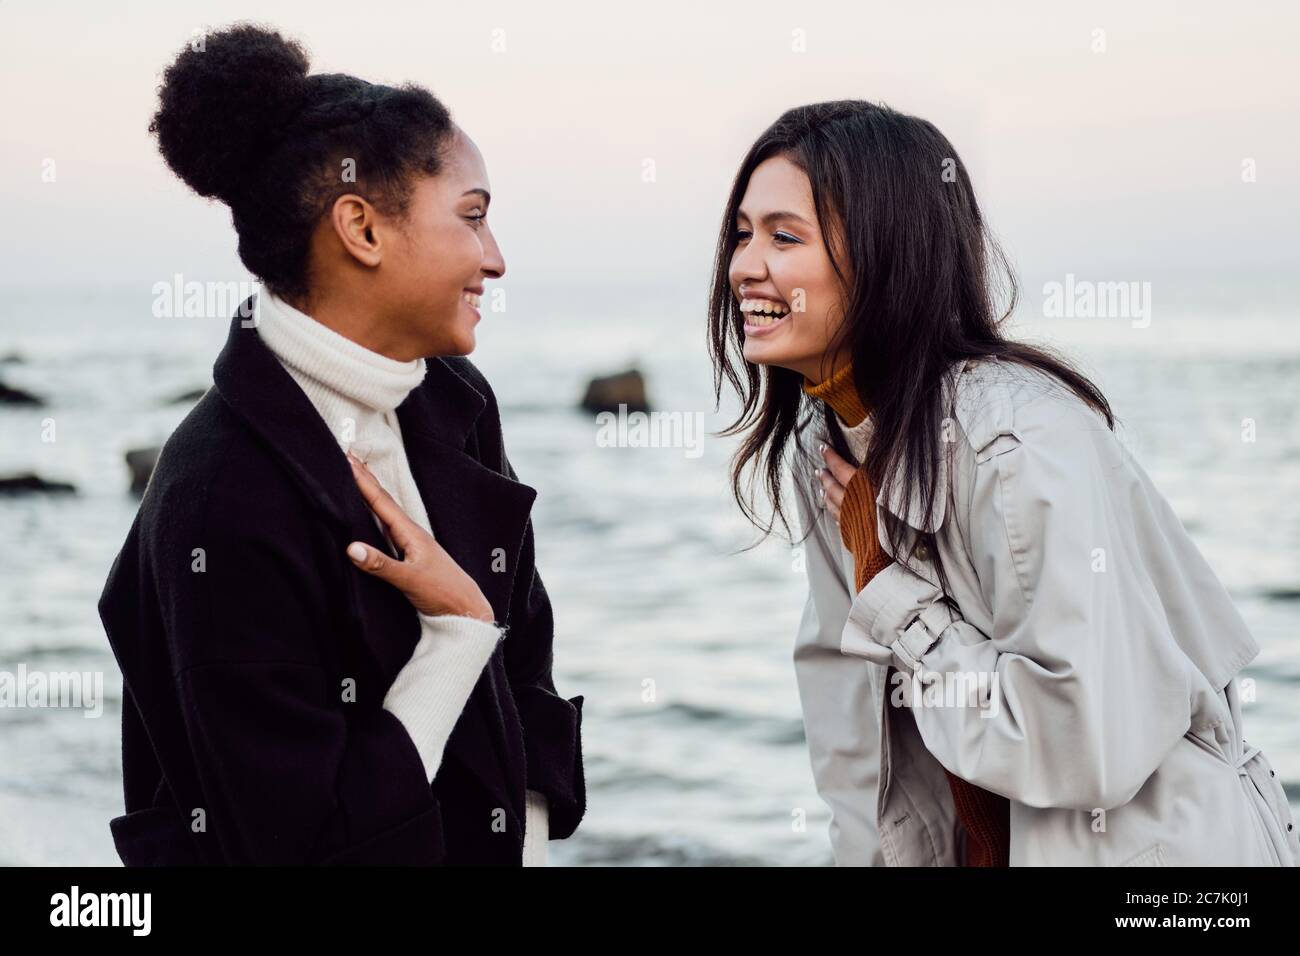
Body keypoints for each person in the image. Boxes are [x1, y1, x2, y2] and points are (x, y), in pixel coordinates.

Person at [707, 99, 1299, 866]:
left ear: (889, 253)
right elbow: (857, 744)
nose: (744, 265)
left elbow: (1089, 740)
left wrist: (896, 598)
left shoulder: (1012, 437)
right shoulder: (825, 451)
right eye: (742, 233)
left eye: (785, 236)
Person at [98, 23, 584, 865]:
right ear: (362, 228)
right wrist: (457, 630)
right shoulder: (216, 495)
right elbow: (299, 842)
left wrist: (530, 827)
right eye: (472, 218)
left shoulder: (453, 399)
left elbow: (526, 663)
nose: (494, 260)